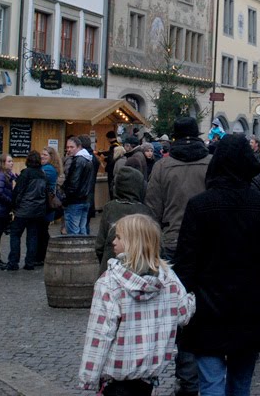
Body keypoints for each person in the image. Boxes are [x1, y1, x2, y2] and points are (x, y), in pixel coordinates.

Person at [174, 134, 260, 396]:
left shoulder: (199, 205)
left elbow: (185, 263)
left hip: (207, 307)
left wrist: (179, 307)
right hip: (250, 307)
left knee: (211, 383)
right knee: (240, 385)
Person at [78, 214, 196, 396]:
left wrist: (88, 377)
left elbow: (100, 334)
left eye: (119, 237)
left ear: (134, 242)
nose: (113, 242)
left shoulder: (110, 282)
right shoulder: (168, 278)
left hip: (116, 381)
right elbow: (184, 314)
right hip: (148, 378)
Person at [145, 116, 210, 396]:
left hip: (173, 245)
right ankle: (207, 373)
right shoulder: (211, 164)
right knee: (206, 310)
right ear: (197, 135)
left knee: (180, 313)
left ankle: (187, 379)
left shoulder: (162, 166)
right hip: (208, 246)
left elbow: (152, 212)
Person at [95, 164, 153, 273]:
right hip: (140, 270)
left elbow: (100, 245)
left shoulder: (110, 208)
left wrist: (104, 262)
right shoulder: (145, 212)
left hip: (110, 269)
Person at [6, 151, 47, 271]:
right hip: (37, 210)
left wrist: (13, 206)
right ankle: (30, 262)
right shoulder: (42, 174)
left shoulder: (26, 173)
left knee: (15, 234)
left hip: (23, 210)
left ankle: (13, 262)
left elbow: (18, 192)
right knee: (32, 236)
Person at [62, 136, 96, 235]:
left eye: (72, 147)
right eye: (67, 147)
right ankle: (85, 250)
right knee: (82, 230)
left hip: (75, 201)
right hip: (85, 199)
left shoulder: (78, 160)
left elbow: (73, 183)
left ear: (79, 147)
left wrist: (65, 198)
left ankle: (75, 251)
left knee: (73, 232)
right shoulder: (88, 159)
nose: (69, 150)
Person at [37, 146, 62, 262]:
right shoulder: (47, 168)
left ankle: (42, 255)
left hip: (46, 203)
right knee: (42, 230)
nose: (42, 156)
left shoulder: (48, 169)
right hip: (46, 203)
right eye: (41, 154)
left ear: (51, 157)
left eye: (45, 155)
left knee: (42, 231)